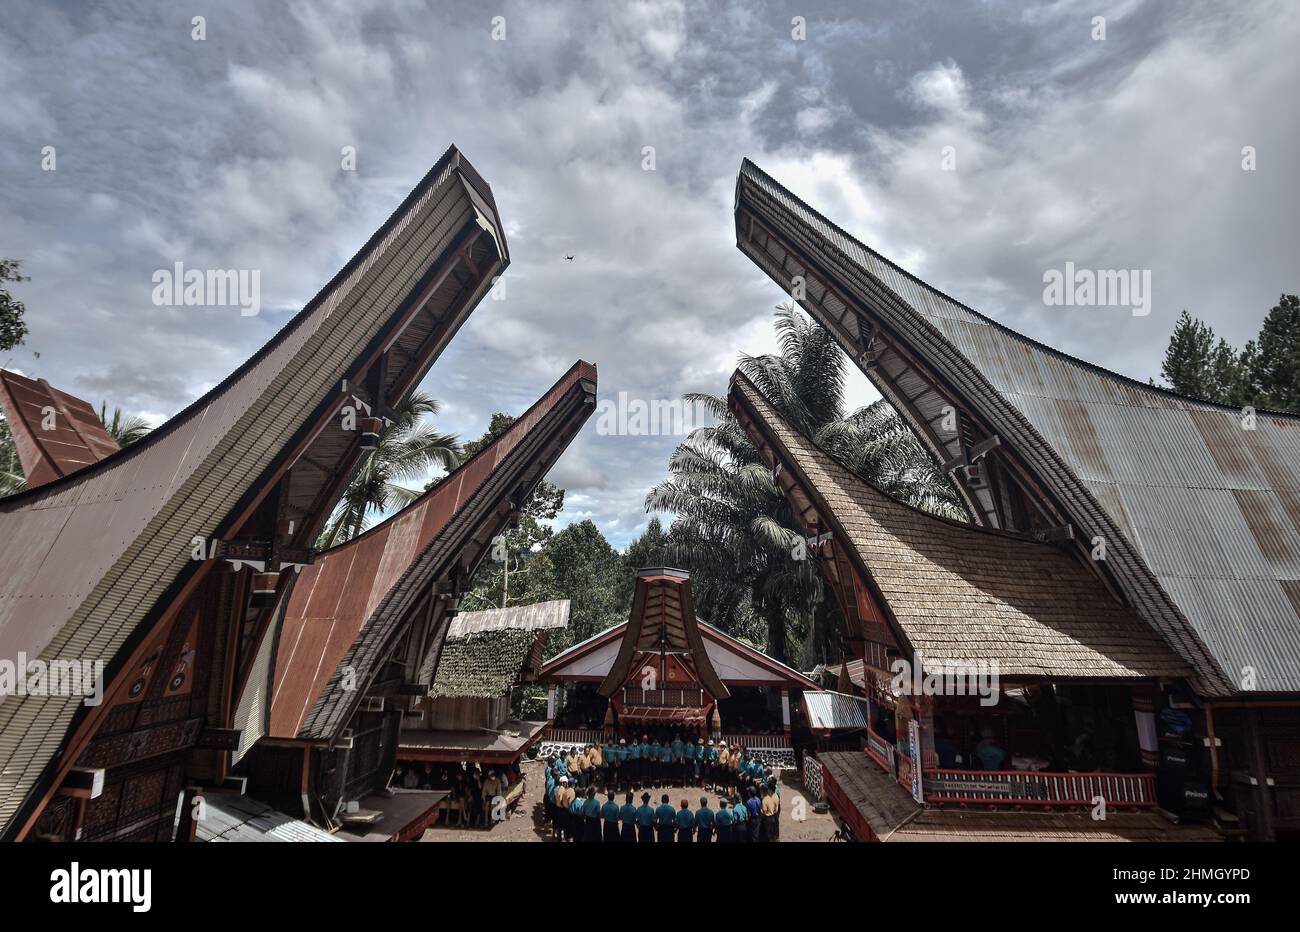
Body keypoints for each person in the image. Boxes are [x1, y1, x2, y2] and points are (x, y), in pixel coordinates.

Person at [553, 776, 573, 841]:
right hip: (561, 809)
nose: (567, 784)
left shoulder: (558, 789)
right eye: (565, 782)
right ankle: (564, 838)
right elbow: (562, 801)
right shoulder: (562, 790)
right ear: (562, 783)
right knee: (564, 825)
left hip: (557, 808)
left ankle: (559, 838)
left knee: (559, 826)